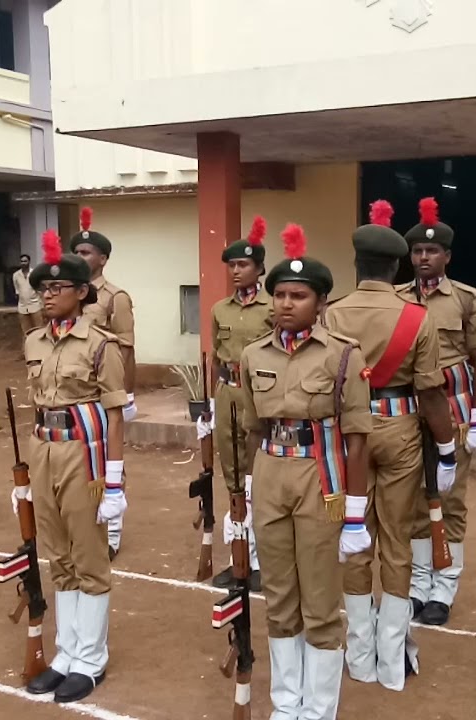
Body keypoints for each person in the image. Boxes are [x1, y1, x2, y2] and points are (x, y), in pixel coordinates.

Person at [323, 200, 460, 690]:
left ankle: (358, 656)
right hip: (400, 429)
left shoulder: (331, 315)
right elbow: (430, 391)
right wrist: (445, 450)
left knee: (353, 537)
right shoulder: (416, 317)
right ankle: (390, 657)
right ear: (397, 266)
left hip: (347, 436)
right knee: (397, 543)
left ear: (357, 265)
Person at [238, 222, 372, 719]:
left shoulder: (343, 356)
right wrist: (246, 493)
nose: (286, 304)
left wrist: (355, 513)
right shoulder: (253, 355)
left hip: (322, 479)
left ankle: (318, 709)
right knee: (278, 597)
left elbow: (357, 436)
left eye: (298, 295)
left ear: (321, 302)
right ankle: (285, 704)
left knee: (318, 603)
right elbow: (252, 427)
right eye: (279, 295)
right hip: (272, 473)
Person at [22, 228, 127, 703]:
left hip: (85, 452)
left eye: (57, 288)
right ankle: (66, 652)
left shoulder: (100, 345)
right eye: (43, 288)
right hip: (45, 448)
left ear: (82, 292)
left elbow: (114, 414)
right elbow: (35, 405)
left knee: (88, 555)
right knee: (58, 555)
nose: (48, 295)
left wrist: (116, 481)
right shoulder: (34, 343)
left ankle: (91, 658)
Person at [397, 197, 476, 626]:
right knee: (418, 497)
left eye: (431, 251)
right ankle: (419, 584)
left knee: (450, 499)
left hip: (453, 407)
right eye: (417, 251)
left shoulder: (468, 299)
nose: (423, 257)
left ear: (447, 257)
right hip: (410, 408)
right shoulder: (398, 299)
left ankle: (445, 585)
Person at [199, 215, 274, 592]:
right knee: (231, 476)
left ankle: (260, 558)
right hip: (227, 393)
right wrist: (210, 405)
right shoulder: (219, 310)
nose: (236, 271)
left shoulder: (273, 308)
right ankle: (239, 556)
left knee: (255, 473)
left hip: (259, 396)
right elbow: (215, 356)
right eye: (231, 265)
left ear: (260, 268)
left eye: (243, 264)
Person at [69, 206, 136, 559]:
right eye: (75, 252)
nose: (79, 256)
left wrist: (128, 394)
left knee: (110, 458)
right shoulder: (67, 291)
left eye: (85, 252)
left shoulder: (115, 297)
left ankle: (111, 531)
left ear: (103, 259)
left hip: (102, 390)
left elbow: (125, 348)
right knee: (80, 461)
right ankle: (85, 522)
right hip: (75, 392)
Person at [14, 253, 43, 340]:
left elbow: (39, 289)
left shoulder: (34, 273)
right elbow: (17, 290)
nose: (23, 263)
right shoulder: (16, 275)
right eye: (22, 261)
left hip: (35, 305)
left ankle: (40, 349)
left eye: (25, 261)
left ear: (29, 262)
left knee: (39, 330)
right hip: (22, 307)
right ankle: (26, 351)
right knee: (25, 332)